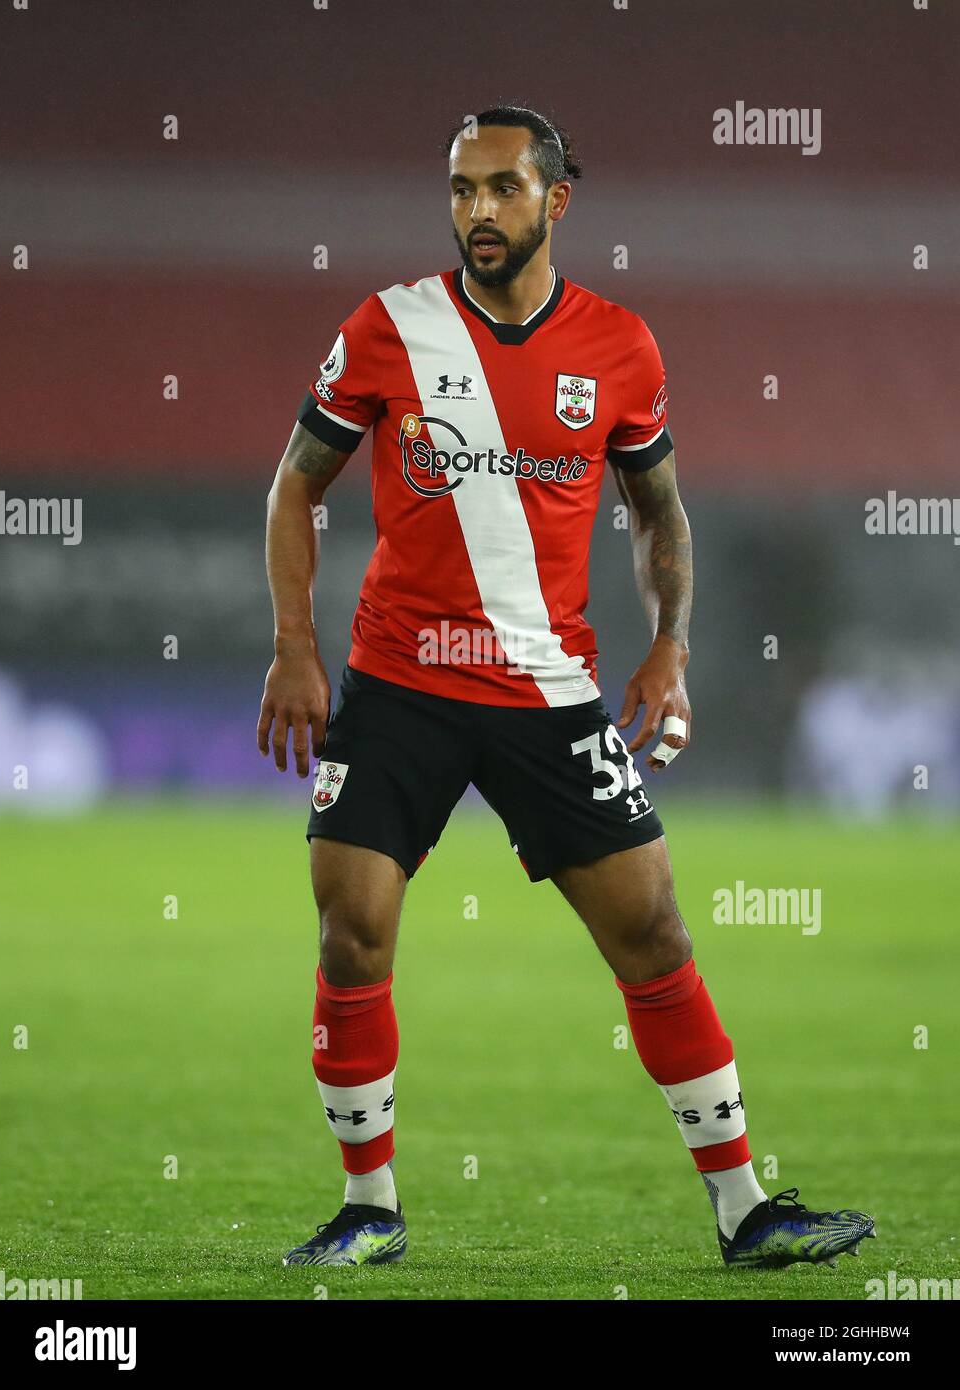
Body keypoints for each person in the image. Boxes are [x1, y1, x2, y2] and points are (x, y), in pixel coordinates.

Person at [259, 105, 874, 1270]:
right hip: (398, 684)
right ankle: (369, 1207)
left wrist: (671, 643)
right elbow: (296, 488)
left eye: (500, 188)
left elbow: (660, 514)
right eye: (459, 190)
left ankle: (746, 1210)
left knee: (650, 926)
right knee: (353, 934)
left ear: (555, 200)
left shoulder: (621, 348)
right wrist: (295, 640)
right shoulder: (387, 327)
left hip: (548, 688)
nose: (477, 212)